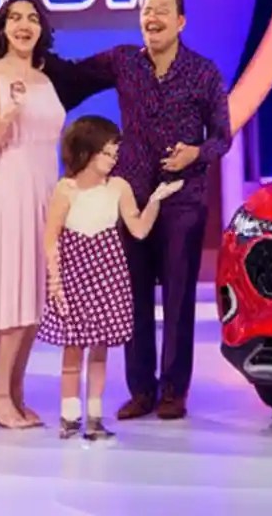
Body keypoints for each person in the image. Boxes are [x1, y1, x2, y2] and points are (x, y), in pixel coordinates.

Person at [43, 0, 231, 420]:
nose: (153, 18)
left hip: (183, 198)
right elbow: (71, 78)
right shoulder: (124, 61)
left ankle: (173, 391)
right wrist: (29, 51)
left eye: (162, 11)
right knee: (134, 295)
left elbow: (223, 136)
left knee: (180, 296)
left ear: (181, 22)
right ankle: (141, 390)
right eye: (146, 11)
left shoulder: (203, 72)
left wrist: (195, 153)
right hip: (131, 194)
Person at [38, 116, 183, 439]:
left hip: (107, 275)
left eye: (114, 153)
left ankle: (94, 417)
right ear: (86, 152)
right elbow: (50, 238)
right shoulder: (66, 189)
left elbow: (139, 228)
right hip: (74, 275)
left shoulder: (119, 188)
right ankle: (69, 416)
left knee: (100, 351)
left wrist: (156, 200)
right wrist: (54, 281)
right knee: (73, 350)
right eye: (106, 152)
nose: (113, 159)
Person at [0, 0, 67, 429]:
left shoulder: (46, 80)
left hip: (46, 189)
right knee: (14, 291)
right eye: (15, 18)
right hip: (10, 189)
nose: (24, 25)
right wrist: (6, 116)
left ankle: (15, 391)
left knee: (34, 295)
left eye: (32, 18)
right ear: (3, 28)